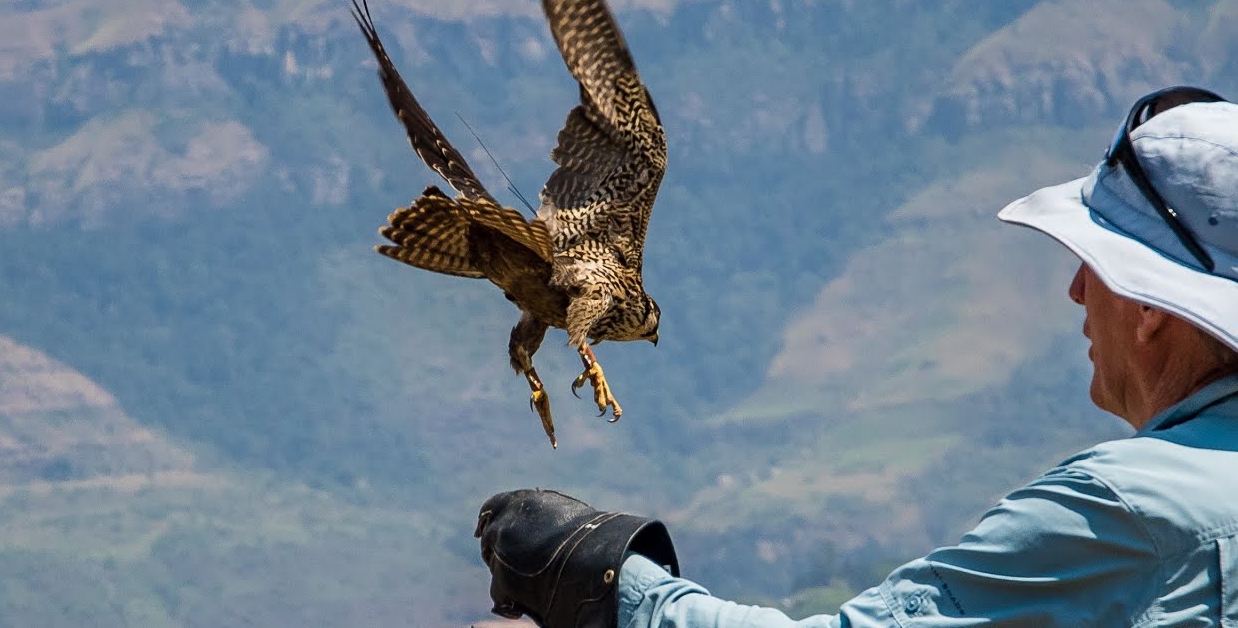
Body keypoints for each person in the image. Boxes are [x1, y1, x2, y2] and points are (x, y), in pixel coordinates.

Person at [474, 86, 1238, 627]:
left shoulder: (1133, 510)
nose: (1076, 291)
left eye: (1095, 264)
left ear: (1146, 310)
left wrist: (606, 582)